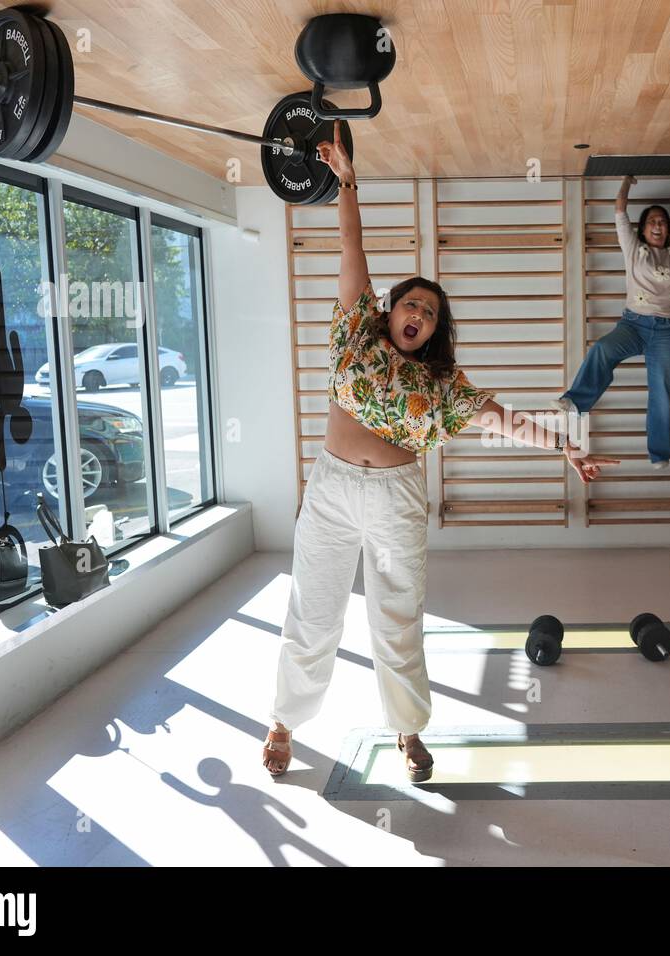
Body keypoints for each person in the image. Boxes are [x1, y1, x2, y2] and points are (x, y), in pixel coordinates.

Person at [263, 124, 619, 781]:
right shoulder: (354, 331)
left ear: (432, 331)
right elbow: (352, 246)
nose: (418, 313)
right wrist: (346, 179)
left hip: (396, 500)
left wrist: (565, 446)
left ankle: (406, 733)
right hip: (333, 489)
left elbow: (505, 422)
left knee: (397, 621)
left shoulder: (444, 386)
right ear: (390, 308)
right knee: (313, 610)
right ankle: (284, 720)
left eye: (429, 313)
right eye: (411, 303)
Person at [554, 176, 670, 468]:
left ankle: (659, 453)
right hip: (633, 325)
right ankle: (576, 402)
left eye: (663, 222)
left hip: (665, 331)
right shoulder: (632, 247)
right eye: (652, 221)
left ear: (668, 229)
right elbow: (619, 211)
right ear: (642, 228)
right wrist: (626, 183)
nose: (657, 225)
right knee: (602, 349)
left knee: (662, 391)